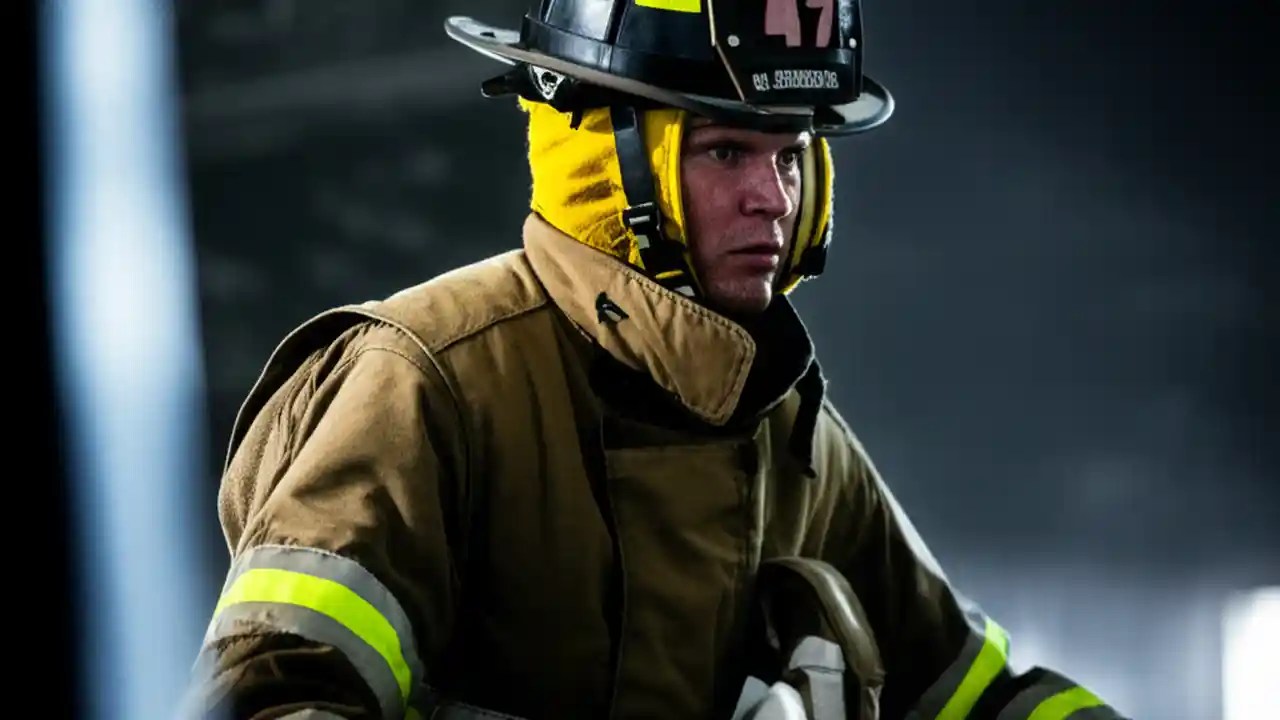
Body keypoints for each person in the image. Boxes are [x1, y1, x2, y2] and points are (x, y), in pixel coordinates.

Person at [185, 1, 1129, 718]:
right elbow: (275, 695)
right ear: (605, 157)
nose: (773, 197)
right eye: (725, 153)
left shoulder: (790, 429)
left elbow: (976, 695)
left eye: (791, 155)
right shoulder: (428, 379)